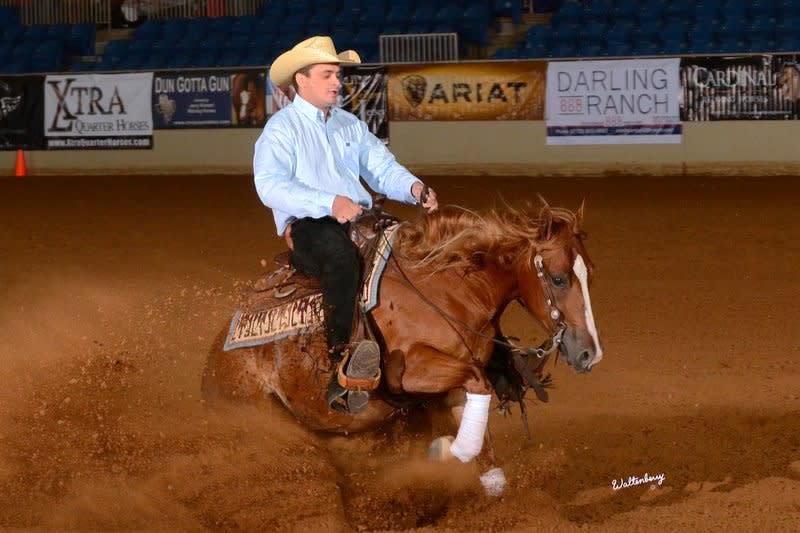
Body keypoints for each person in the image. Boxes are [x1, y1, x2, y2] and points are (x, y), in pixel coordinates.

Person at [253, 36, 438, 413]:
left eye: (337, 74)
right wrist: (328, 202)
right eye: (327, 74)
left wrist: (414, 187)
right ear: (301, 81)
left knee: (417, 253)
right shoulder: (280, 129)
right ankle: (341, 366)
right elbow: (270, 185)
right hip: (310, 225)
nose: (337, 82)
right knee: (341, 260)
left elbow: (381, 168)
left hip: (360, 218)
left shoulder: (349, 124)